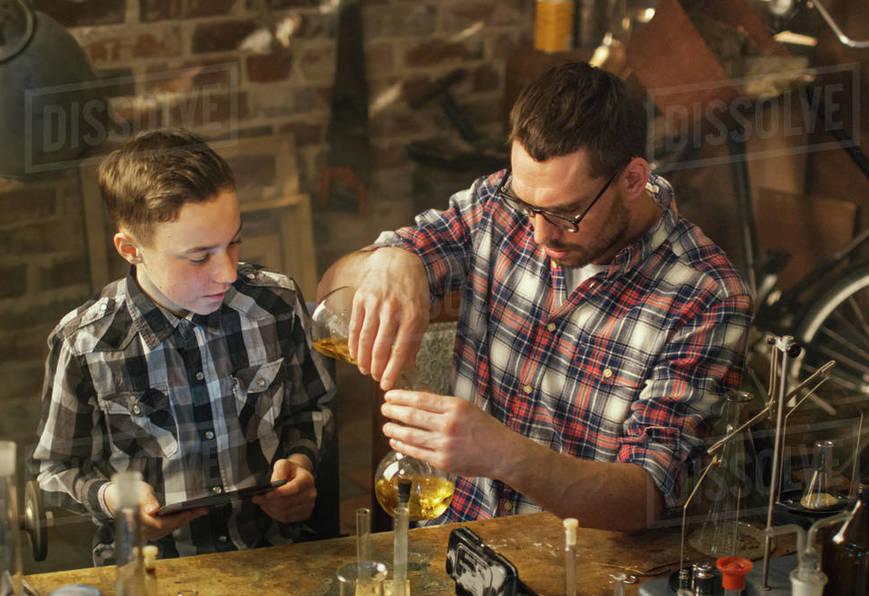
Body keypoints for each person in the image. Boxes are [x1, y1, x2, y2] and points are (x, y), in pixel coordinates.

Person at [317, 62, 751, 532]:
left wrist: (504, 455)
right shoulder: (498, 207)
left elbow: (647, 499)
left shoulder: (706, 298)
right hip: (457, 538)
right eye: (528, 205)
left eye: (566, 213)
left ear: (631, 179)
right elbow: (328, 295)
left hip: (576, 572)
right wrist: (390, 262)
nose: (540, 233)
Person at [30, 128, 335, 564]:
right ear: (131, 249)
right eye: (199, 257)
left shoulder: (275, 305)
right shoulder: (86, 343)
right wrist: (110, 499)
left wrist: (302, 463)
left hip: (275, 554)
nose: (227, 272)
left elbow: (313, 407)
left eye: (233, 243)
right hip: (148, 568)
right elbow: (52, 472)